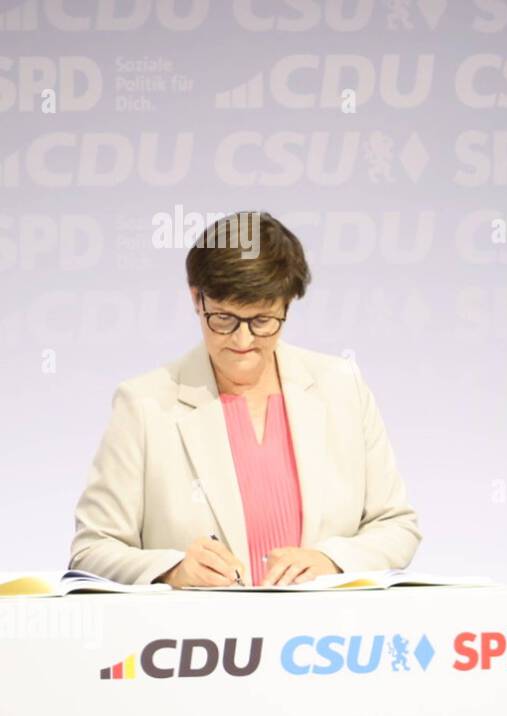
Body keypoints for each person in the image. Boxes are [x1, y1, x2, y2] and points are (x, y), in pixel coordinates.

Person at [70, 212, 421, 587]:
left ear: (287, 304)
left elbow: (397, 526)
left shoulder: (341, 387)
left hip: (323, 638)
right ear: (195, 298)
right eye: (222, 319)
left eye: (262, 321)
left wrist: (332, 561)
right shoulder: (143, 403)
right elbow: (91, 550)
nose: (242, 342)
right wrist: (173, 570)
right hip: (200, 641)